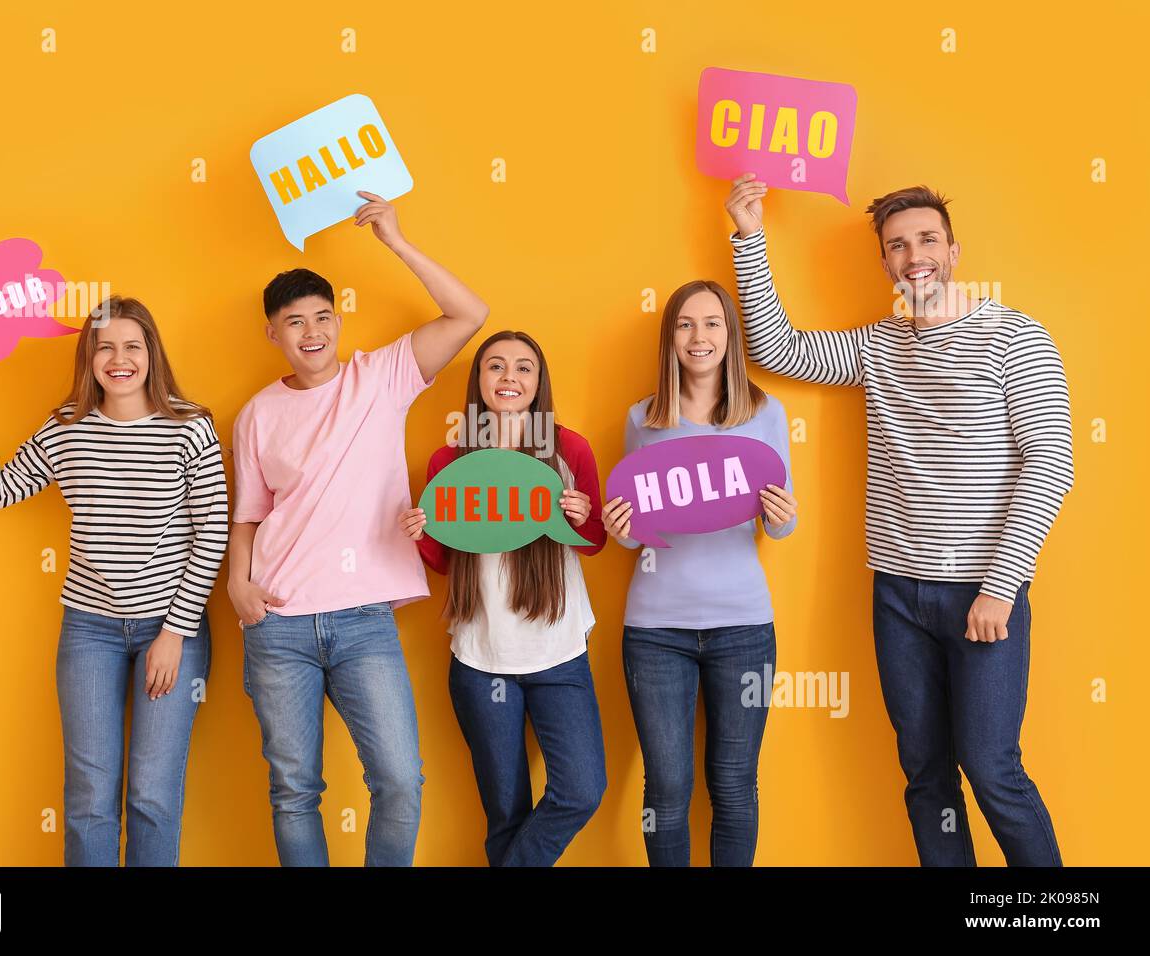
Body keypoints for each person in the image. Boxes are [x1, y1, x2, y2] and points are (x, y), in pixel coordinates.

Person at [724, 172, 1073, 866]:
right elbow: (778, 349)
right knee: (925, 776)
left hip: (984, 592)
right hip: (897, 596)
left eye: (926, 240)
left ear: (954, 250)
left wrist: (1001, 588)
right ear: (884, 262)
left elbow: (1051, 464)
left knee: (992, 769)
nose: (914, 255)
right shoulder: (877, 347)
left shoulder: (1017, 338)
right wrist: (749, 234)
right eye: (897, 245)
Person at [229, 190, 489, 866]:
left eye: (322, 316)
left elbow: (470, 313)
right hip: (278, 623)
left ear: (338, 321)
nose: (311, 332)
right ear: (273, 334)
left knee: (399, 779)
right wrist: (238, 585)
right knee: (293, 789)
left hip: (364, 621)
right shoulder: (256, 414)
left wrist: (396, 242)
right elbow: (249, 515)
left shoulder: (381, 377)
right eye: (294, 322)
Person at [0, 295, 228, 866]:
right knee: (90, 797)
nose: (120, 359)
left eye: (132, 346)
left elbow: (211, 533)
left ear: (152, 352)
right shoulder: (66, 429)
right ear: (89, 357)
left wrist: (174, 632)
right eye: (105, 347)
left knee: (152, 794)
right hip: (89, 629)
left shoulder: (190, 427)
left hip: (172, 630)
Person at [601, 278, 798, 867]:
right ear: (670, 338)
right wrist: (622, 529)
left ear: (731, 336)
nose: (699, 335)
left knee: (735, 784)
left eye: (712, 323)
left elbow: (779, 527)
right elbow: (640, 530)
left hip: (744, 627)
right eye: (686, 324)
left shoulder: (767, 413)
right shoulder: (643, 418)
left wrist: (784, 517)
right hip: (656, 629)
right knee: (666, 787)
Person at [399, 330, 608, 866]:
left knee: (581, 789)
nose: (509, 378)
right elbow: (450, 564)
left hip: (559, 652)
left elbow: (595, 542)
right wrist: (422, 533)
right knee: (505, 812)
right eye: (495, 366)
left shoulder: (570, 449)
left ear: (539, 383)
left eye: (523, 368)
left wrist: (583, 519)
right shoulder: (449, 461)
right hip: (480, 657)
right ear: (478, 382)